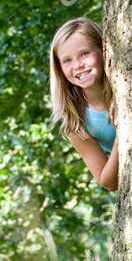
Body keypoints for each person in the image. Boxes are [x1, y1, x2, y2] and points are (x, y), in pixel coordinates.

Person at [49, 17, 119, 191]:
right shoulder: (77, 122)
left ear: (102, 50)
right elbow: (109, 182)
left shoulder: (127, 87)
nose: (78, 65)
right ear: (59, 68)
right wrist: (123, 135)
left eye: (84, 54)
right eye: (67, 61)